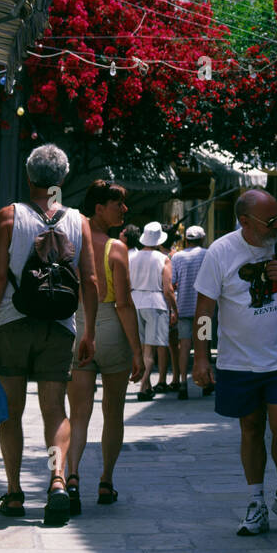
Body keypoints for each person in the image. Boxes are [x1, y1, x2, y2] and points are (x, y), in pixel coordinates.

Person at [0, 144, 97, 526]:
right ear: (61, 179)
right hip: (59, 327)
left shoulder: (10, 216)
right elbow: (90, 281)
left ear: (29, 178)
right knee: (55, 409)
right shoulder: (81, 222)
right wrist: (88, 330)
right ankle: (57, 480)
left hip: (12, 322)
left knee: (11, 412)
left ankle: (13, 493)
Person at [192, 189, 277, 536]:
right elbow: (205, 309)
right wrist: (201, 357)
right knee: (250, 429)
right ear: (245, 221)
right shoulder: (221, 251)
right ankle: (255, 500)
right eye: (270, 220)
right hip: (238, 361)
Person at [68, 180, 145, 509]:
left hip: (79, 326)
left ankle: (71, 476)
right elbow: (125, 304)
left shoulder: (70, 241)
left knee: (78, 413)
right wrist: (138, 352)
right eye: (118, 204)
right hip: (112, 327)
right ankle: (106, 481)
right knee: (113, 411)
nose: (124, 210)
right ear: (99, 208)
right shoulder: (116, 248)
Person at [128, 222, 176, 399]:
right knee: (150, 351)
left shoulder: (132, 257)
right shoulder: (163, 259)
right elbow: (168, 289)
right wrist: (174, 310)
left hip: (135, 301)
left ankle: (146, 386)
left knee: (141, 349)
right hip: (155, 302)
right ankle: (143, 387)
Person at [170, 226, 208, 399]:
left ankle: (183, 382)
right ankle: (207, 382)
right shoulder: (207, 254)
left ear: (187, 240)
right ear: (202, 239)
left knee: (183, 346)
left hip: (183, 307)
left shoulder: (177, 257)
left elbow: (172, 283)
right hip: (204, 310)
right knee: (204, 344)